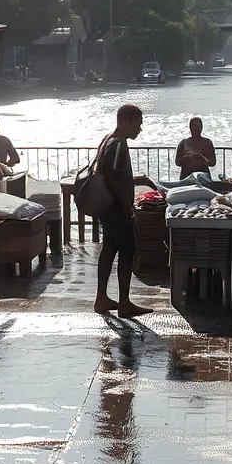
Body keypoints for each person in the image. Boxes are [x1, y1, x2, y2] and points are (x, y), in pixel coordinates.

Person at [94, 104, 151, 318]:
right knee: (128, 250)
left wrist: (139, 180)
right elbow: (110, 176)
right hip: (117, 209)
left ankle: (102, 298)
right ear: (126, 122)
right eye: (138, 123)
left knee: (109, 249)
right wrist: (127, 204)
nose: (140, 129)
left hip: (108, 208)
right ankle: (125, 303)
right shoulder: (118, 144)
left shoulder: (108, 140)